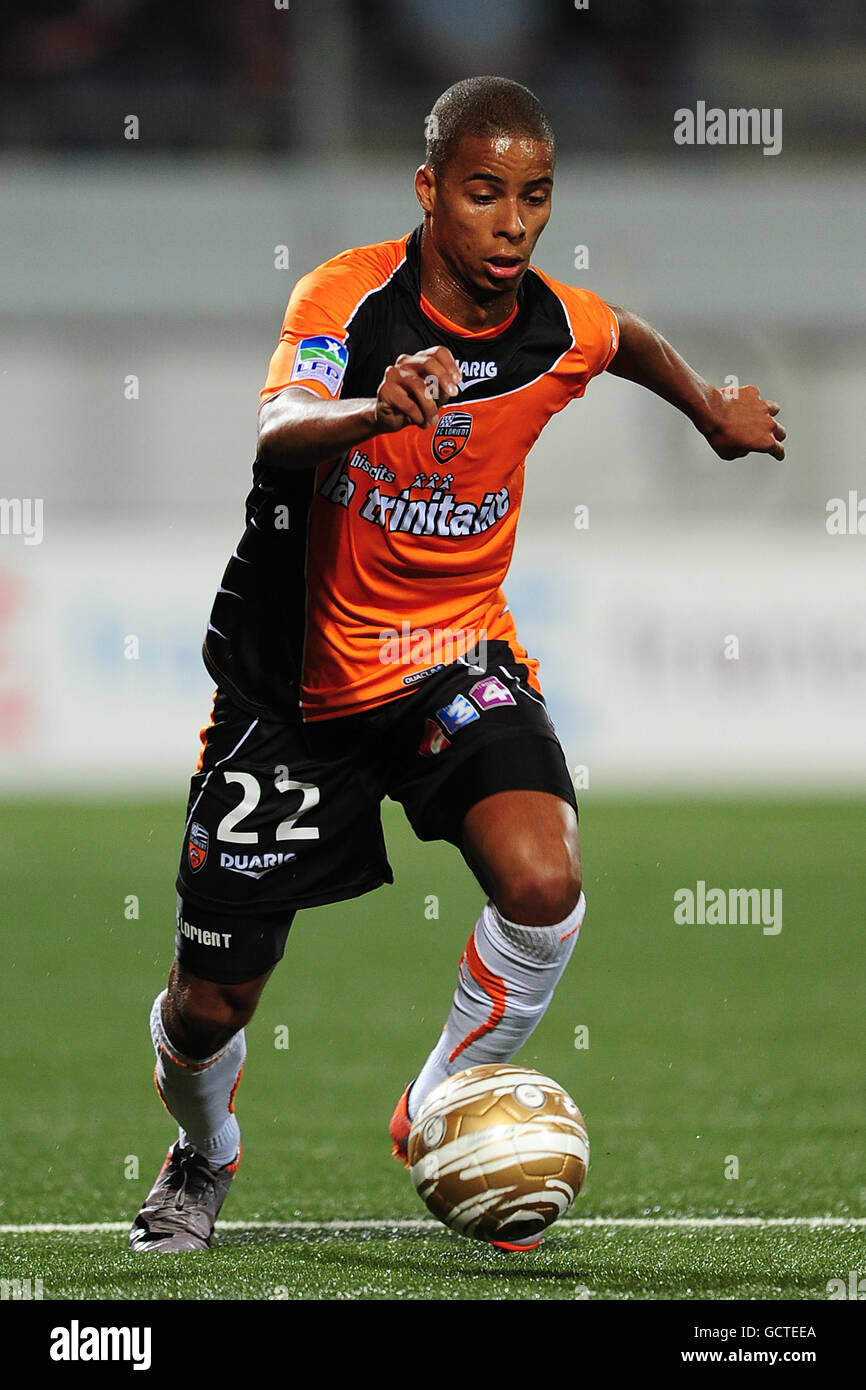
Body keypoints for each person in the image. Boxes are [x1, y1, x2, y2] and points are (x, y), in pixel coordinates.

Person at [129, 75, 785, 1253]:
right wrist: (368, 412)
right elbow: (277, 428)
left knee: (543, 883)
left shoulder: (552, 325)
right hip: (293, 695)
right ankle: (204, 1150)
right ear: (429, 189)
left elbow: (619, 334)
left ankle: (437, 1094)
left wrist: (702, 408)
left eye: (533, 197)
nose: (512, 223)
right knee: (209, 1000)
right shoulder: (347, 298)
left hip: (455, 657)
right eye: (484, 193)